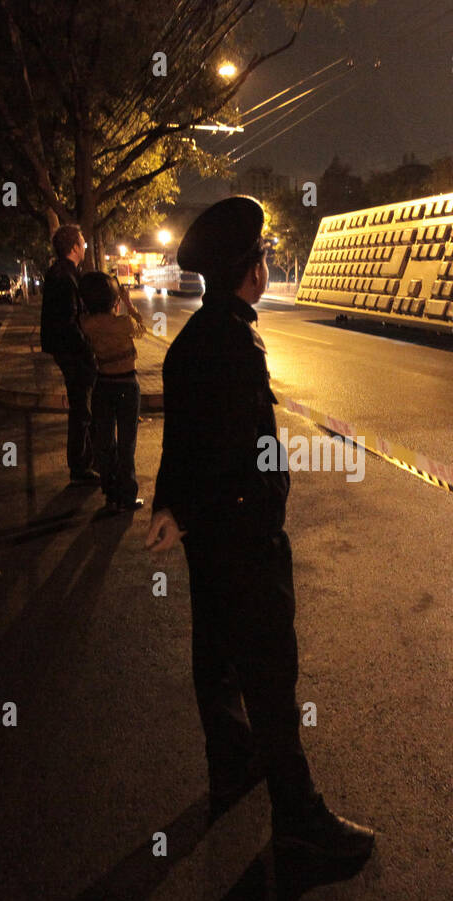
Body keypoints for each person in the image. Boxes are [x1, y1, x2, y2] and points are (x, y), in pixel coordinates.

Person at [145, 196, 375, 861]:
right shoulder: (235, 342)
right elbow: (231, 450)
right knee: (271, 675)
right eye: (264, 258)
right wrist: (264, 506)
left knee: (215, 657)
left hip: (209, 538)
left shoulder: (191, 339)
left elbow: (181, 441)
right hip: (244, 535)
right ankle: (300, 816)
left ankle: (233, 764)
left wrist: (171, 509)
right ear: (250, 272)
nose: (268, 266)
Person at [78, 271, 146, 519]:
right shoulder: (123, 323)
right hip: (127, 385)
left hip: (103, 385)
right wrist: (128, 304)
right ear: (113, 298)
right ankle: (128, 497)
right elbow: (141, 328)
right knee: (127, 444)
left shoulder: (86, 323)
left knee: (105, 444)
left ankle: (111, 496)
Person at [41, 225, 100, 486]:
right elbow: (68, 321)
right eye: (83, 242)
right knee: (81, 409)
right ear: (74, 247)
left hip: (68, 350)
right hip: (73, 352)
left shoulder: (63, 273)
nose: (86, 246)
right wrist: (88, 350)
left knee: (83, 407)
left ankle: (87, 459)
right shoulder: (65, 276)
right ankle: (80, 465)